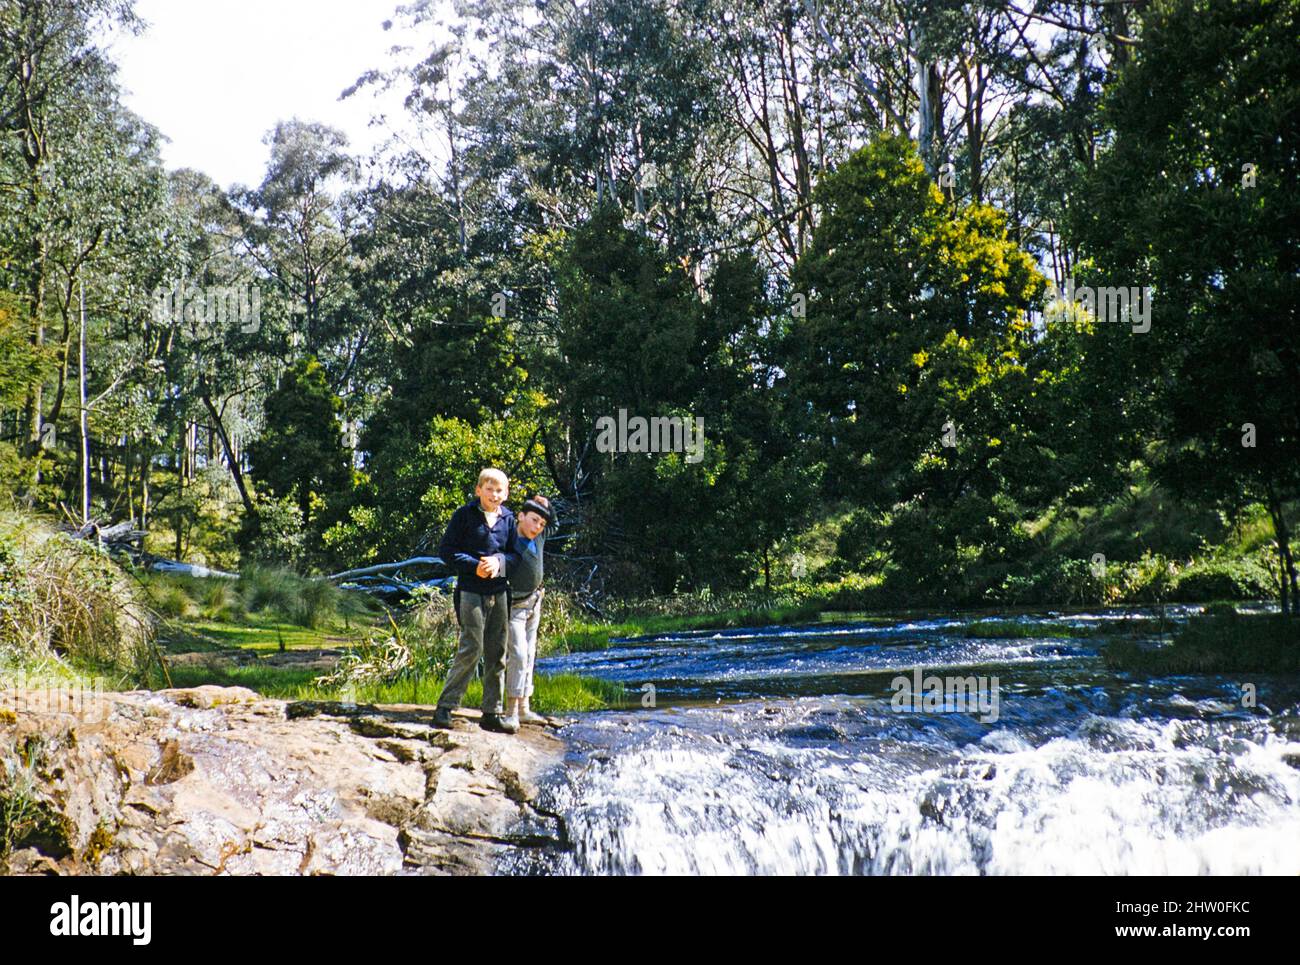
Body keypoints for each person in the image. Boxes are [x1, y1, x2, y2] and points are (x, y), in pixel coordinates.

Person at [433, 468, 521, 733]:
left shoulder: (509, 520)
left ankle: (491, 713)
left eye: (500, 490)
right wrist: (474, 566)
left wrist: (499, 562)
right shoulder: (463, 516)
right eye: (490, 489)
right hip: (470, 591)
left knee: (497, 652)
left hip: (500, 593)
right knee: (471, 647)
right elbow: (446, 552)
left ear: (506, 494)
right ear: (478, 490)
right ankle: (445, 709)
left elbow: (517, 558)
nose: (495, 495)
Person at [505, 494, 554, 724]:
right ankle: (511, 712)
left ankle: (524, 707)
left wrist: (546, 505)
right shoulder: (508, 537)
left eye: (541, 523)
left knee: (530, 654)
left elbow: (555, 522)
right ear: (520, 516)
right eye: (534, 520)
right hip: (513, 606)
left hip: (535, 601)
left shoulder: (541, 536)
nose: (537, 527)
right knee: (518, 654)